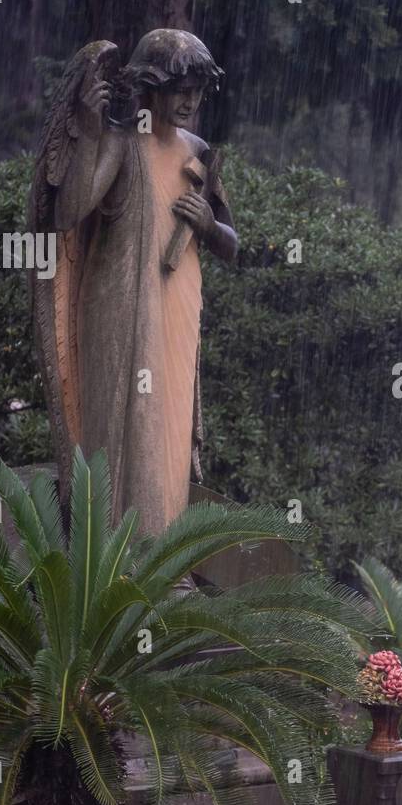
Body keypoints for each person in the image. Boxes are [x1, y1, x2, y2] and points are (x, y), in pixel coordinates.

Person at [30, 29, 237, 534]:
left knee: (168, 428)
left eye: (196, 89)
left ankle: (167, 559)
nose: (188, 100)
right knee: (126, 430)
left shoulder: (199, 153)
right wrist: (86, 127)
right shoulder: (122, 146)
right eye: (177, 88)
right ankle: (118, 557)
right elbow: (68, 211)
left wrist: (208, 225)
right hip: (119, 308)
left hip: (177, 305)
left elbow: (233, 244)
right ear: (149, 87)